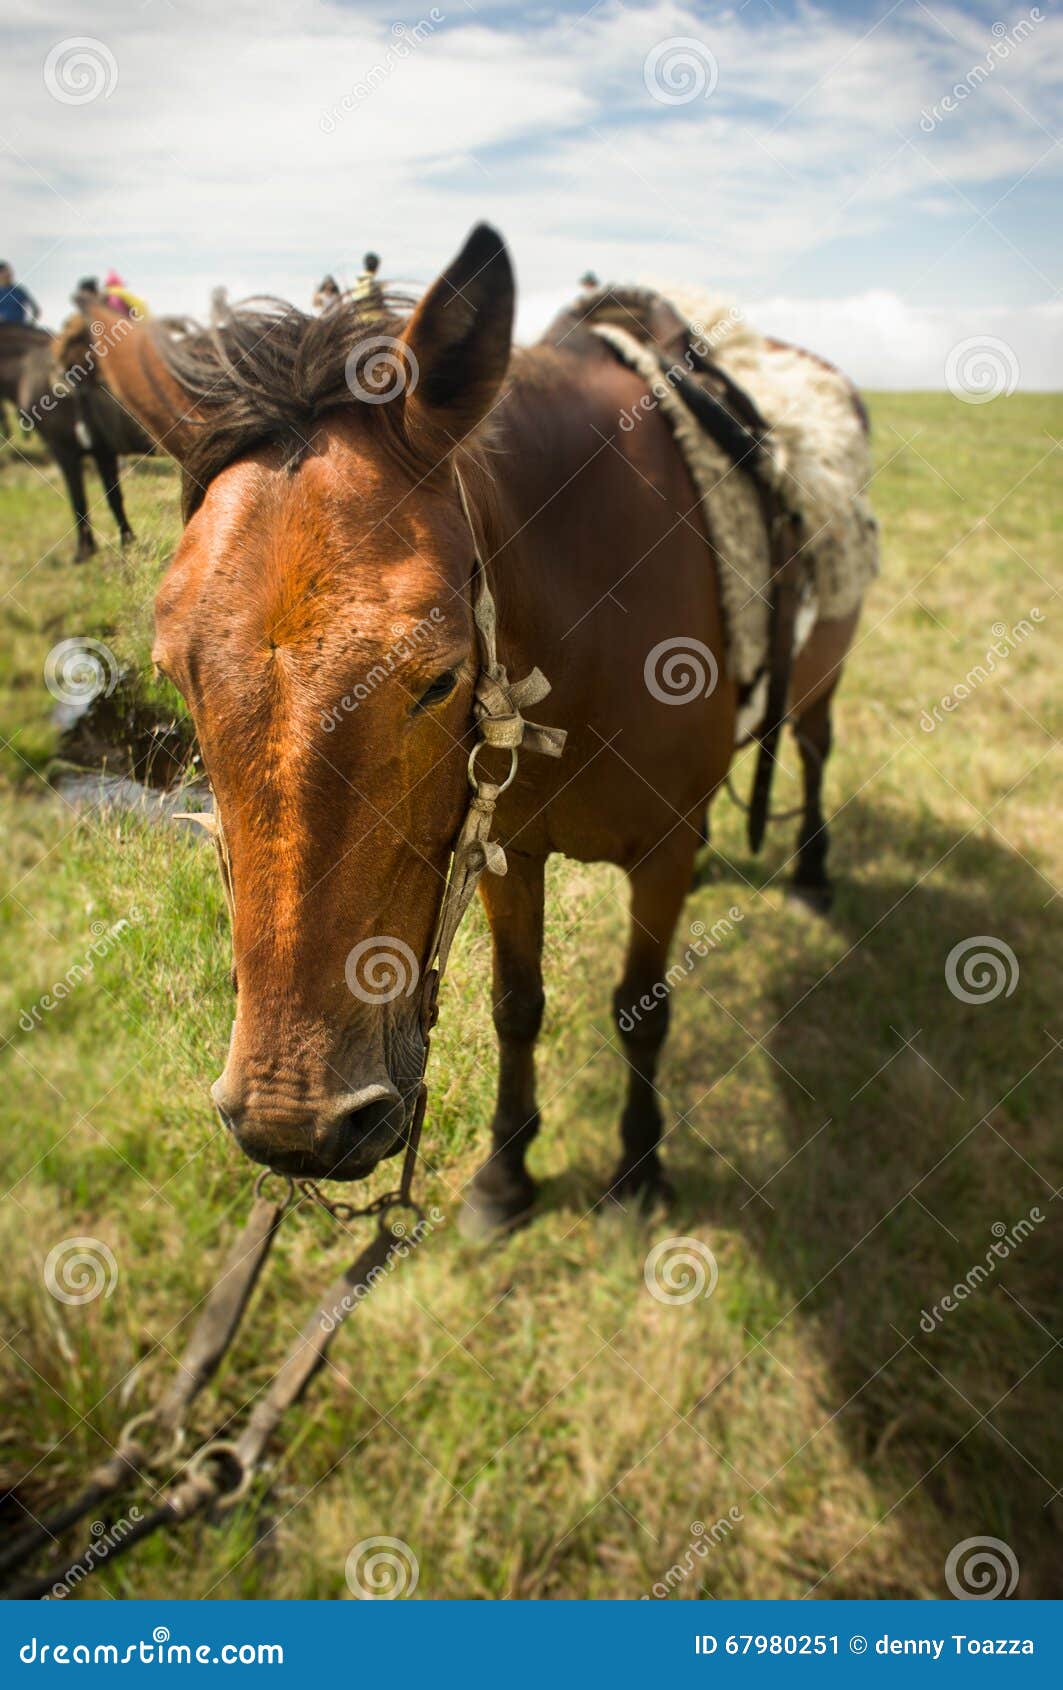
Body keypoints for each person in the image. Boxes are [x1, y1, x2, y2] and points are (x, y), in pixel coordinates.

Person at [353, 251, 383, 317]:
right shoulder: (373, 284)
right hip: (373, 319)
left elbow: (355, 301)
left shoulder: (359, 282)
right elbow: (380, 304)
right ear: (377, 267)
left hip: (358, 318)